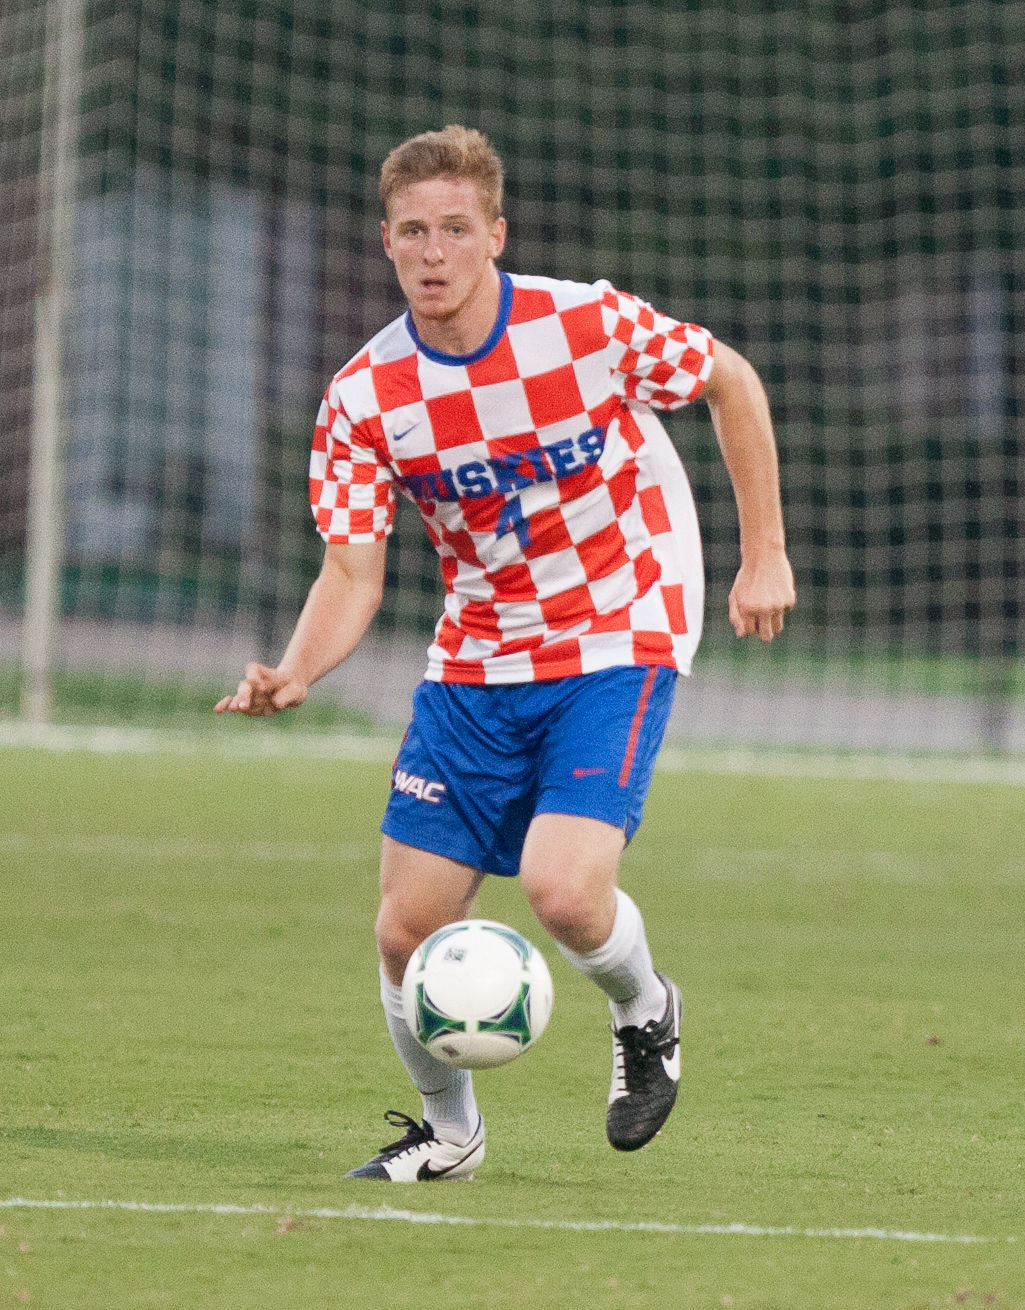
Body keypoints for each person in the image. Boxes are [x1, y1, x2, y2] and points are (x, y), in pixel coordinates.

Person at [216, 125, 796, 1182]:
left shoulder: (583, 323)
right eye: (410, 233)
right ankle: (451, 1132)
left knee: (563, 892)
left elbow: (731, 380)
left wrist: (761, 553)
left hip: (621, 622)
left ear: (495, 234)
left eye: (453, 229)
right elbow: (351, 573)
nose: (432, 252)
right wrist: (298, 667)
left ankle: (645, 1010)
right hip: (480, 651)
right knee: (405, 928)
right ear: (385, 243)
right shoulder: (363, 399)